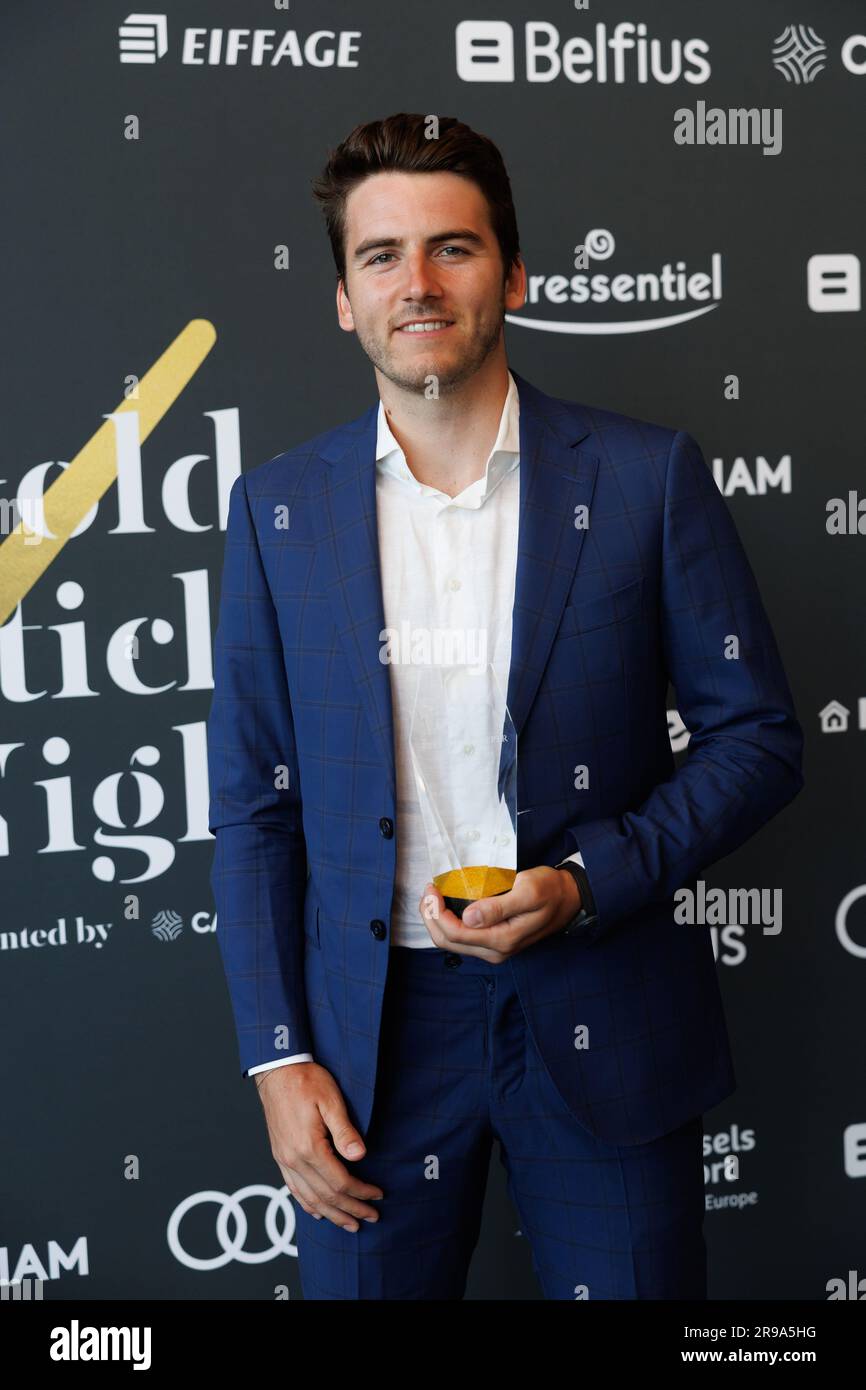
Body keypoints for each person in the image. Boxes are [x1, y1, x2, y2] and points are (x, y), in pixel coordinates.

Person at [206, 113, 804, 1300]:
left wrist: (588, 881)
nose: (415, 284)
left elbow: (757, 737)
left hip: (605, 1011)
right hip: (373, 1043)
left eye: (452, 249)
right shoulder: (276, 513)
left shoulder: (645, 478)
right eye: (380, 256)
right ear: (341, 298)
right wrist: (278, 1056)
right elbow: (252, 808)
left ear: (514, 273)